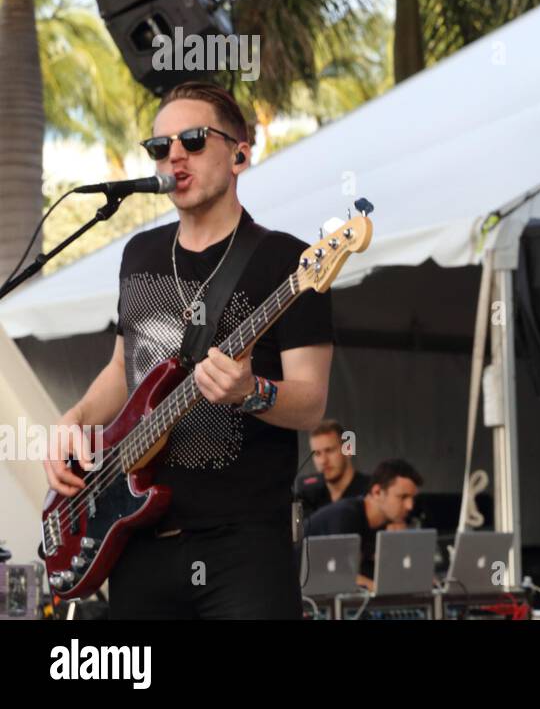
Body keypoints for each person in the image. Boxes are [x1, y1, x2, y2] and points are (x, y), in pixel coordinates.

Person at [43, 81, 334, 619]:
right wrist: (76, 417)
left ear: (241, 154)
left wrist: (251, 391)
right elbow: (121, 368)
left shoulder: (288, 262)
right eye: (160, 146)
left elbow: (312, 402)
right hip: (136, 541)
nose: (174, 154)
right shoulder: (139, 253)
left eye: (194, 140)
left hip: (242, 546)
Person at [305, 458, 422, 591]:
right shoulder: (346, 515)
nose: (410, 506)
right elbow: (341, 577)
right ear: (377, 492)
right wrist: (389, 592)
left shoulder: (388, 524)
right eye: (403, 497)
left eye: (412, 498)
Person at [295, 418, 369, 520]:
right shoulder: (309, 496)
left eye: (329, 450)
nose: (323, 461)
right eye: (317, 453)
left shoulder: (370, 492)